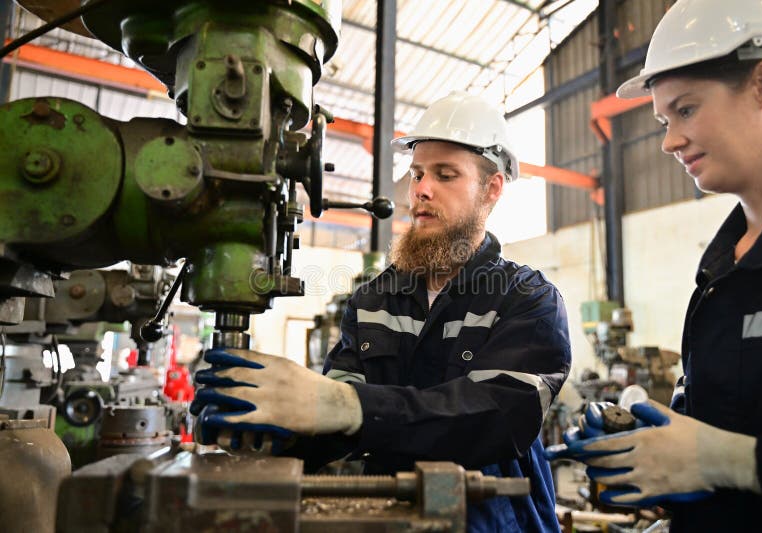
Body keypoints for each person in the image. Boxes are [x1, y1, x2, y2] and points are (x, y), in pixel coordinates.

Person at [191, 91, 572, 532]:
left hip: (496, 521)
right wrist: (275, 428)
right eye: (417, 173)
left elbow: (497, 417)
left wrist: (343, 405)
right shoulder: (375, 298)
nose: (421, 190)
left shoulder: (527, 299)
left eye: (445, 175)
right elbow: (338, 411)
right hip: (387, 516)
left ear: (491, 189)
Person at [548, 1, 762, 531]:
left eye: (685, 110)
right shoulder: (719, 273)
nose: (668, 141)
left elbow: (728, 452)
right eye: (664, 120)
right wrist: (657, 451)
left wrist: (728, 460)